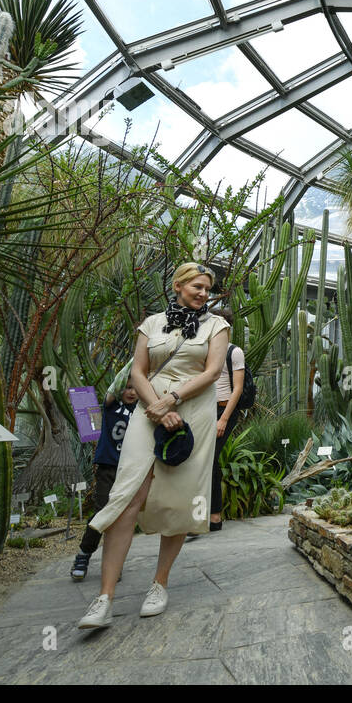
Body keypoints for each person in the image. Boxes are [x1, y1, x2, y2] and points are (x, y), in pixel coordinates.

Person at [77, 262, 229, 630]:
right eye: (197, 286)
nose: (203, 294)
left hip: (193, 411)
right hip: (150, 411)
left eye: (207, 289)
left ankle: (159, 584)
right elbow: (137, 373)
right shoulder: (151, 324)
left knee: (179, 496)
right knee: (128, 495)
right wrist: (158, 409)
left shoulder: (216, 326)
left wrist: (173, 399)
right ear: (178, 286)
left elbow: (211, 373)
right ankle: (105, 598)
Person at [70, 383, 138, 581]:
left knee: (122, 518)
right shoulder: (111, 404)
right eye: (127, 387)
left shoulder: (141, 410)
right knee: (102, 511)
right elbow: (114, 388)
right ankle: (83, 554)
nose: (131, 392)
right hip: (108, 467)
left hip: (130, 469)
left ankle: (114, 562)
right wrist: (137, 358)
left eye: (135, 388)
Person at [207, 306, 245, 535]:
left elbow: (237, 388)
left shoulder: (234, 351)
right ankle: (205, 514)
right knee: (204, 460)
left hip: (223, 409)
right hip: (203, 411)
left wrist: (223, 419)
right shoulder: (205, 350)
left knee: (210, 458)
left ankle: (214, 515)